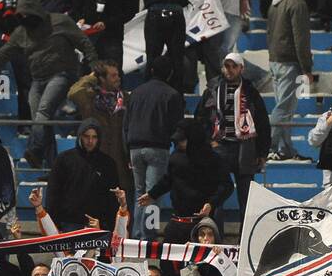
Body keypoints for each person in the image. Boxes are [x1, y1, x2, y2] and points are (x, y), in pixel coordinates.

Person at [0, 0, 96, 168]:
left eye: (26, 15)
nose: (24, 19)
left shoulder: (60, 21)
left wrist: (94, 67)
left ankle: (35, 149)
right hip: (38, 79)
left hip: (62, 74)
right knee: (40, 122)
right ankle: (54, 168)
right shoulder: (21, 32)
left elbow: (83, 42)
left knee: (43, 113)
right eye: (21, 16)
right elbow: (2, 54)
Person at [195, 52, 271, 221]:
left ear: (241, 68)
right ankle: (214, 236)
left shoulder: (251, 92)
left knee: (246, 198)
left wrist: (262, 153)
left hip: (245, 149)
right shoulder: (212, 90)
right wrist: (209, 142)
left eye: (233, 66)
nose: (229, 70)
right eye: (226, 66)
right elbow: (200, 119)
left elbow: (263, 123)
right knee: (217, 197)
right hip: (219, 148)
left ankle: (244, 240)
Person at [124, 56, 184, 240]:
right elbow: (176, 125)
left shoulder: (136, 92)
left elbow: (126, 124)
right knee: (153, 195)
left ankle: (136, 236)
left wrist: (127, 151)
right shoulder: (172, 94)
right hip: (157, 148)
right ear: (170, 73)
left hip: (134, 147)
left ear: (151, 71)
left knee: (138, 193)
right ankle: (148, 238)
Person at [265, 0, 314, 162]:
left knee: (284, 109)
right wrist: (307, 68)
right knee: (284, 109)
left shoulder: (276, 1)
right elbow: (300, 38)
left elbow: (269, 33)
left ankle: (285, 149)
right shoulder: (296, 3)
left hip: (276, 60)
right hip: (289, 62)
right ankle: (268, 147)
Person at [45, 119, 119, 232]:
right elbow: (53, 194)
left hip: (97, 225)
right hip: (68, 223)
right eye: (86, 136)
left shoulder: (108, 164)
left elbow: (112, 199)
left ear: (99, 139)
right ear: (80, 136)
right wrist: (54, 224)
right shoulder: (64, 159)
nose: (90, 141)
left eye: (94, 137)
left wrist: (109, 226)